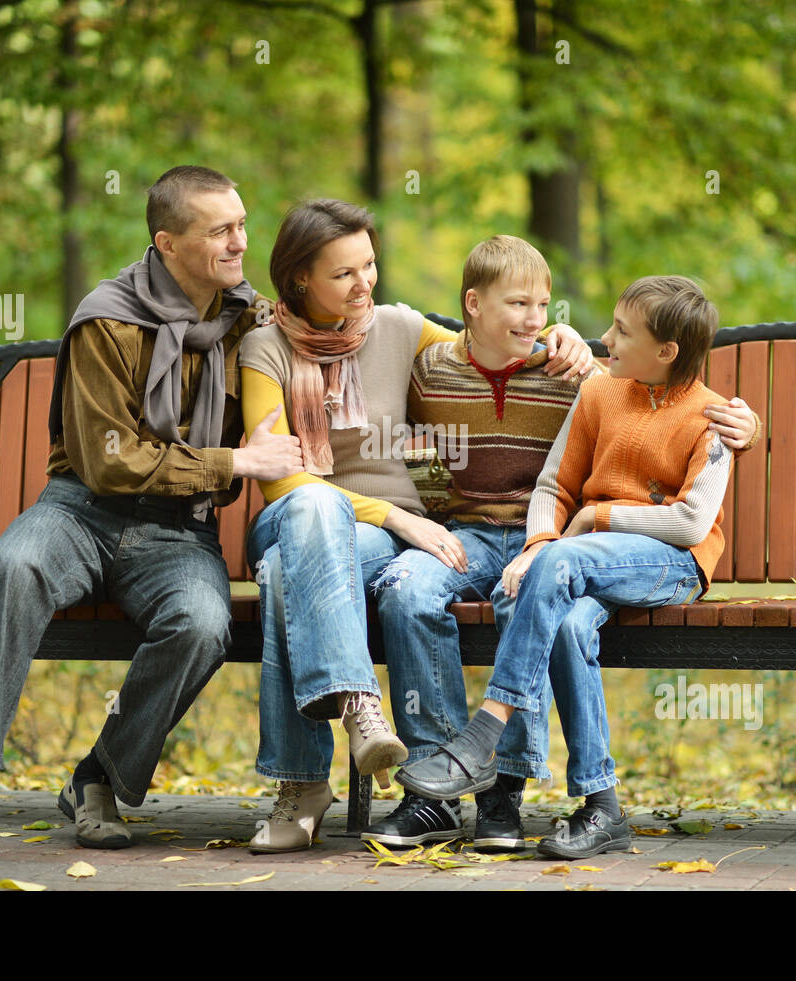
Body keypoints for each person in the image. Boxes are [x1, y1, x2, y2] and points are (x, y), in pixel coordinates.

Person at [0, 166, 304, 869]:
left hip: (178, 529)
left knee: (202, 624)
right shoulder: (107, 318)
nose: (240, 242)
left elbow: (349, 318)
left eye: (242, 224)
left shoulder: (247, 317)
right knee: (8, 569)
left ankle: (96, 775)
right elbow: (109, 460)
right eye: (220, 230)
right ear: (167, 242)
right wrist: (230, 463)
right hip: (80, 510)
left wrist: (528, 341)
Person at [366, 241, 759, 850]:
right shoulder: (600, 391)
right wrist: (548, 538)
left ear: (665, 350)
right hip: (545, 552)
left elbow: (688, 524)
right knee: (564, 622)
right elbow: (556, 483)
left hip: (666, 563)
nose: (603, 337)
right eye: (517, 302)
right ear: (473, 304)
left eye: (621, 331)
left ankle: (490, 756)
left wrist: (586, 524)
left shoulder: (708, 416)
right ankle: (598, 806)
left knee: (554, 568)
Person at [237, 202, 596, 854]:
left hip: (376, 544)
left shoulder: (398, 329)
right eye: (343, 273)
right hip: (305, 518)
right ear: (298, 281)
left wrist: (564, 340)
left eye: (369, 263)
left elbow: (485, 344)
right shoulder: (263, 347)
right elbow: (281, 476)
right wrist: (399, 513)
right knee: (312, 519)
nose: (364, 283)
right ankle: (358, 706)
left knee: (288, 580)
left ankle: (313, 787)